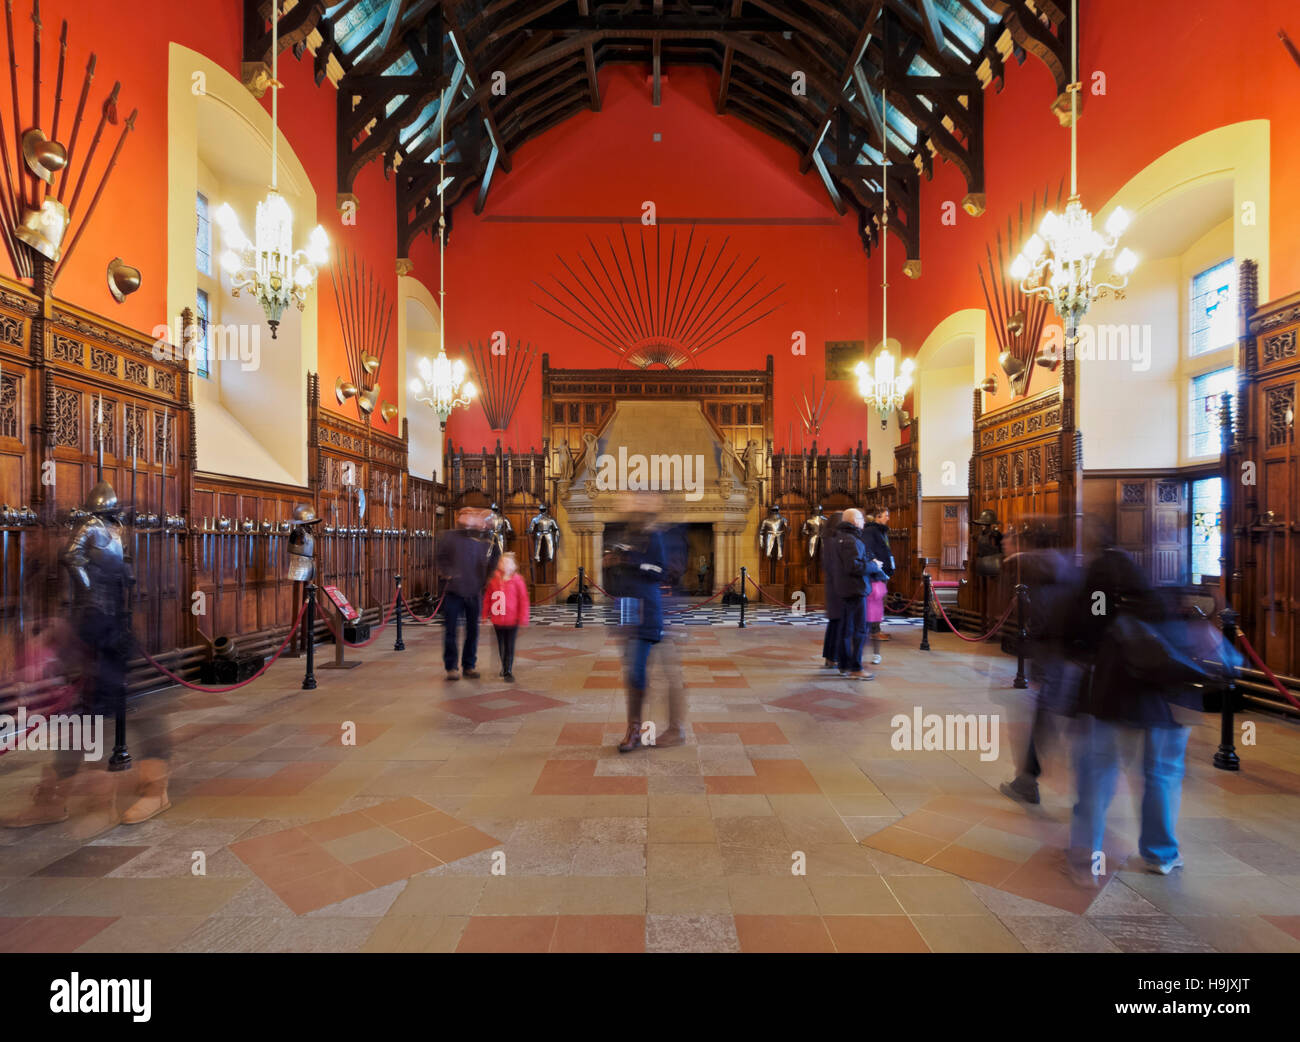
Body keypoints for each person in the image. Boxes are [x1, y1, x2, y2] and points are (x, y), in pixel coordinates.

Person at [1068, 545, 1190, 882]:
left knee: (1097, 779)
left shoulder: (1098, 607)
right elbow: (1178, 651)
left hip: (1106, 701)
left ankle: (1086, 856)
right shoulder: (1155, 602)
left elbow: (1077, 641)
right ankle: (1160, 853)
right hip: (1153, 706)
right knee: (1159, 777)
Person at [999, 521, 1082, 806]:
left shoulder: (1035, 570)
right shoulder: (1071, 565)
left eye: (1011, 540)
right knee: (1068, 720)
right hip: (1075, 656)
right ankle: (1036, 779)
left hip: (1055, 655)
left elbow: (1045, 619)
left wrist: (1036, 646)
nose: (1006, 544)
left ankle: (1028, 780)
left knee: (1050, 718)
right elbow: (1097, 607)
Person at [604, 498, 668, 752]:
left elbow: (659, 571)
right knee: (631, 669)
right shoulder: (623, 536)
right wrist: (611, 563)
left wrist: (631, 560)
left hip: (647, 610)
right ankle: (634, 726)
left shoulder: (654, 537)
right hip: (626, 608)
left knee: (637, 671)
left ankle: (635, 729)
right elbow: (615, 578)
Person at [436, 507, 501, 681]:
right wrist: (447, 572)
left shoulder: (484, 538)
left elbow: (495, 557)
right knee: (450, 631)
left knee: (473, 631)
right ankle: (451, 667)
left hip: (474, 590)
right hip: (453, 591)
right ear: (459, 517)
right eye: (464, 514)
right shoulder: (449, 536)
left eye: (470, 515)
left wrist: (488, 578)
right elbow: (440, 557)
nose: (468, 518)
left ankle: (469, 665)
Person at [829, 508, 879, 681]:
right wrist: (875, 566)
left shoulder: (838, 538)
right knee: (859, 630)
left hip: (844, 589)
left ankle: (844, 665)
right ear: (854, 521)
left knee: (846, 629)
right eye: (861, 519)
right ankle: (856, 667)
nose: (864, 522)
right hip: (855, 589)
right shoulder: (851, 540)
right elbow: (854, 567)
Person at [482, 552, 529, 681]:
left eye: (508, 563)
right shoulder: (494, 580)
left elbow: (523, 600)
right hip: (498, 620)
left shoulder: (518, 580)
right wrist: (485, 614)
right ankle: (504, 666)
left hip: (512, 620)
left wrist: (523, 617)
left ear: (513, 566)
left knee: (510, 645)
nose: (505, 565)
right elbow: (488, 598)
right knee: (501, 645)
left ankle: (508, 670)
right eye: (503, 562)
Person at [820, 510, 844, 668]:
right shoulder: (835, 541)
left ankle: (830, 656)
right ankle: (834, 657)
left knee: (834, 624)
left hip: (833, 586)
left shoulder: (828, 539)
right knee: (838, 625)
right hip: (839, 587)